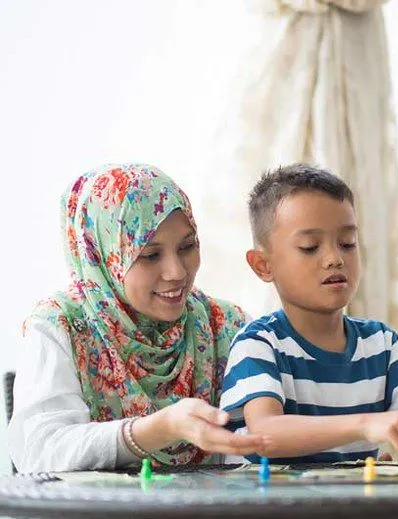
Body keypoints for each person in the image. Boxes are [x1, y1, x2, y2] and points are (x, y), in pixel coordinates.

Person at [220, 163, 398, 464]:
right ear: (263, 265)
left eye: (347, 243)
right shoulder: (258, 344)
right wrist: (366, 423)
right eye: (310, 247)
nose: (334, 259)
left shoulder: (380, 344)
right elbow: (265, 435)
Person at [9, 164, 266, 472]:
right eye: (148, 255)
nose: (177, 272)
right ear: (103, 255)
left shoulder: (225, 324)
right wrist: (159, 429)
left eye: (187, 247)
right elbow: (39, 451)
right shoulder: (61, 326)